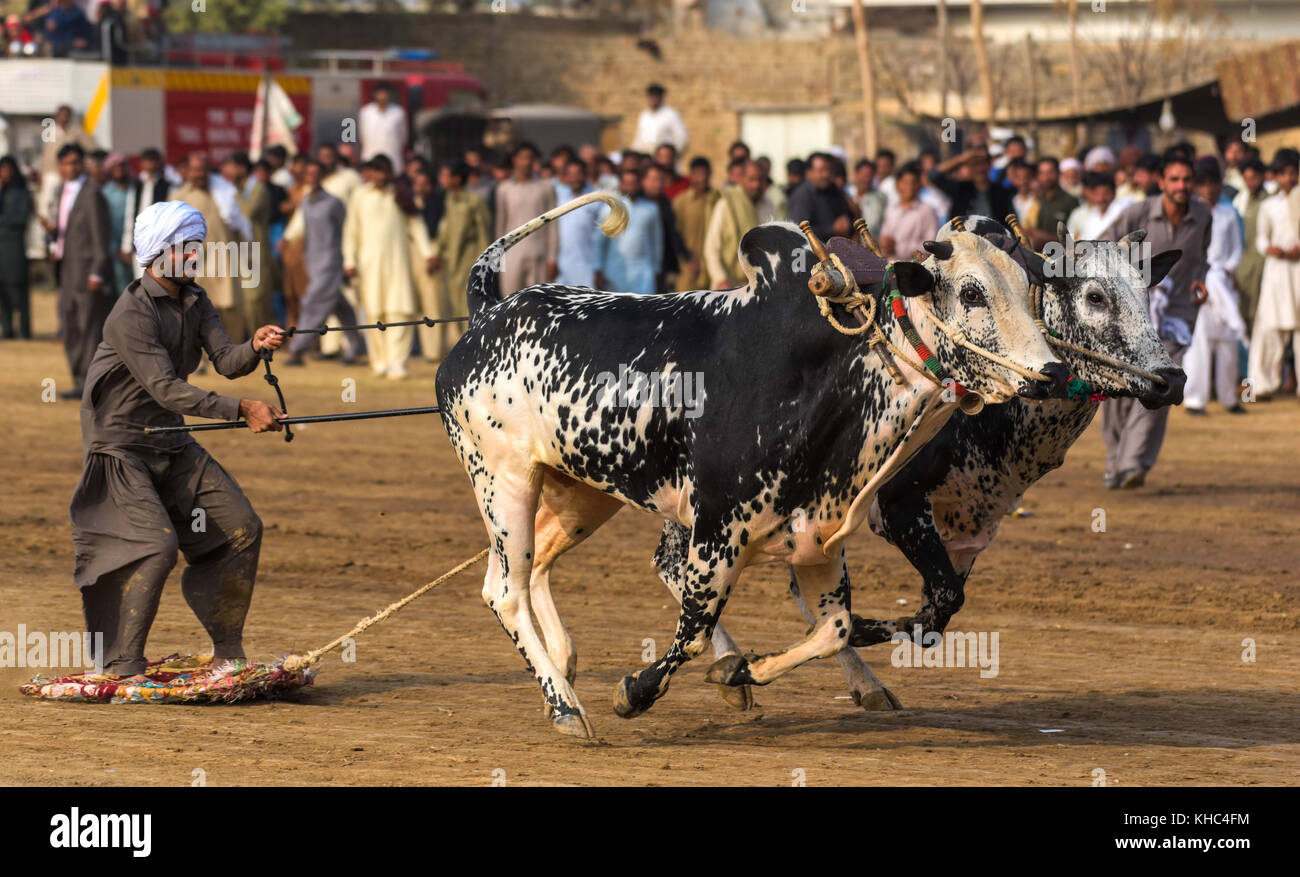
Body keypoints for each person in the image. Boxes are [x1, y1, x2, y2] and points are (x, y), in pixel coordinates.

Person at [70, 200, 286, 678]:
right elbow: (166, 388)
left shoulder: (195, 298)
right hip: (121, 447)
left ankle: (228, 651)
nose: (197, 256)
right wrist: (243, 410)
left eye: (198, 247)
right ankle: (122, 661)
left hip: (171, 441)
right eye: (189, 248)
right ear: (161, 253)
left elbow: (226, 360)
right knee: (154, 546)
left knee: (242, 527)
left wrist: (254, 345)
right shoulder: (130, 313)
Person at [1100, 153, 1211, 488]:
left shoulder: (1203, 214)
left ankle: (1134, 462)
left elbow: (1203, 255)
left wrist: (1200, 278)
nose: (1181, 186)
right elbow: (1103, 245)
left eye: (1186, 180)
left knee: (1162, 383)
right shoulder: (1139, 213)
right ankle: (1115, 460)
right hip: (1133, 313)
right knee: (1123, 385)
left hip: (1178, 313)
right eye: (1174, 179)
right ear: (1161, 182)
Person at [343, 155, 433, 379]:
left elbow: (416, 226)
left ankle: (397, 362)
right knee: (374, 312)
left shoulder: (401, 194)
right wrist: (349, 261)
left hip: (398, 263)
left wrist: (428, 253)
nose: (381, 176)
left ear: (390, 172)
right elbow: (350, 231)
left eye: (385, 171)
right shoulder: (360, 196)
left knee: (399, 309)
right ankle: (380, 362)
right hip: (369, 265)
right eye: (376, 171)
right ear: (370, 173)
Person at [44, 142, 113, 397]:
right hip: (65, 270)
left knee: (89, 330)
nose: (71, 167)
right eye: (66, 163)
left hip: (86, 272)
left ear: (82, 164)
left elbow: (100, 237)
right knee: (70, 327)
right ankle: (78, 381)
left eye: (75, 162)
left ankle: (93, 386)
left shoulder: (92, 192)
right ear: (59, 166)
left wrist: (97, 271)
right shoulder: (60, 191)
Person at [281, 159, 363, 366]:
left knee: (311, 303)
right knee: (342, 307)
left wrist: (348, 259)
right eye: (309, 174)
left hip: (331, 262)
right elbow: (299, 226)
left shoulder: (334, 203)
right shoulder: (307, 202)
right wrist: (287, 239)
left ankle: (297, 350)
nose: (313, 178)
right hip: (313, 262)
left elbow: (348, 231)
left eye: (317, 173)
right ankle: (355, 347)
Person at [1184, 160, 1247, 415]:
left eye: (1214, 183)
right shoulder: (1191, 212)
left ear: (1221, 184)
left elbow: (1236, 249)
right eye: (1204, 183)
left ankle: (1228, 398)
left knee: (1228, 340)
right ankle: (1195, 400)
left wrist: (1230, 269)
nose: (1209, 189)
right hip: (1198, 282)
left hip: (1222, 280)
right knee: (1198, 341)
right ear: (1197, 186)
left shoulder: (1228, 213)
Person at [172, 153, 244, 341]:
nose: (200, 174)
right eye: (196, 170)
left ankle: (233, 353)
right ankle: (200, 357)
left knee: (230, 307)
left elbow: (240, 225)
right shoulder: (179, 197)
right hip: (196, 263)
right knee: (195, 307)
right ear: (187, 172)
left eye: (203, 169)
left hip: (226, 260)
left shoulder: (224, 192)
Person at [1246, 150, 1300, 401]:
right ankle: (1262, 385)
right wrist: (1270, 248)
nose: (1290, 178)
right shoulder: (1269, 206)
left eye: (1293, 172)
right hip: (1277, 271)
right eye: (1285, 173)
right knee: (1268, 327)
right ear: (1275, 176)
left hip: (1298, 269)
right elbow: (1261, 238)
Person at [435, 160, 490, 351]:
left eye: (446, 175)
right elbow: (447, 229)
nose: (442, 179)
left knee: (469, 306)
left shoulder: (475, 201)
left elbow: (485, 233)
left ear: (457, 179)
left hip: (471, 260)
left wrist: (486, 265)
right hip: (452, 263)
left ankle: (476, 349)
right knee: (455, 305)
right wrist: (438, 251)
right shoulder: (450, 199)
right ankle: (463, 349)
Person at [494, 142, 557, 296]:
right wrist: (499, 261)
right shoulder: (504, 189)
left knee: (538, 304)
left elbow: (553, 226)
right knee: (510, 304)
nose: (526, 162)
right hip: (512, 255)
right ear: (514, 160)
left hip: (538, 255)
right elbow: (500, 225)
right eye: (522, 158)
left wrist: (552, 258)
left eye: (530, 158)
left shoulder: (546, 187)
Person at [222, 151, 274, 332]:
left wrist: (232, 193)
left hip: (256, 251)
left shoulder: (258, 188)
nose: (227, 171)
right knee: (242, 300)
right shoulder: (235, 189)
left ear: (242, 168)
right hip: (239, 250)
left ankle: (262, 337)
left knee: (255, 300)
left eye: (231, 167)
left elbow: (247, 212)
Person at [703, 159, 774, 289]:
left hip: (759, 284)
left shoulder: (767, 204)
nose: (756, 185)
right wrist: (720, 279)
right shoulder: (726, 204)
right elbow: (711, 247)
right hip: (728, 284)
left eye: (760, 180)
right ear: (742, 179)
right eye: (751, 179)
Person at [595, 166, 661, 296]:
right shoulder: (610, 209)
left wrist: (656, 269)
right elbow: (598, 242)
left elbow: (656, 241)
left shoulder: (651, 208)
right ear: (621, 185)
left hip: (643, 273)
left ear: (639, 185)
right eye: (627, 183)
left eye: (634, 184)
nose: (630, 187)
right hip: (614, 272)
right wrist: (598, 269)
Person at [927, 147, 1015, 224]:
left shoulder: (1001, 193)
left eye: (983, 163)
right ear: (970, 167)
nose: (980, 168)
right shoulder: (960, 189)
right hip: (962, 240)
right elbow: (933, 176)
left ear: (989, 165)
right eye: (975, 164)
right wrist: (962, 159)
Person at [672, 156, 719, 291]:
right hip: (688, 268)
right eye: (698, 174)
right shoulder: (681, 202)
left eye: (705, 174)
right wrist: (687, 259)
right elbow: (675, 234)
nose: (702, 179)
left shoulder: (718, 200)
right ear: (691, 175)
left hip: (714, 268)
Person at [1233, 157, 1269, 333]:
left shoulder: (1269, 202)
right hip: (1242, 266)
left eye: (1254, 178)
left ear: (1262, 177)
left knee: (1262, 313)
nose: (1250, 183)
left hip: (1264, 264)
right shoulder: (1240, 200)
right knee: (1243, 312)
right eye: (1246, 179)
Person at [553, 157, 600, 288]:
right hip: (562, 266)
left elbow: (601, 237)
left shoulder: (596, 198)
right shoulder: (559, 198)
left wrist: (599, 267)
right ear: (566, 177)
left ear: (585, 175)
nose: (574, 179)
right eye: (571, 175)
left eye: (578, 174)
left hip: (588, 266)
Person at [788, 152, 855, 243]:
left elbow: (848, 215)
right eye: (821, 170)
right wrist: (832, 230)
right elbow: (798, 231)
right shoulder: (802, 195)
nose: (826, 175)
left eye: (828, 170)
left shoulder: (833, 190)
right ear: (809, 173)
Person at [0, 155, 33, 338]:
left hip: (15, 248)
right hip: (1, 248)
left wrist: (3, 222)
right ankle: (6, 328)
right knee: (2, 290)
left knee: (19, 290)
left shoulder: (22, 192)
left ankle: (25, 330)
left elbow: (20, 219)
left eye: (8, 169)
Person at [878, 163, 939, 261]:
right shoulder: (891, 208)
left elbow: (931, 245)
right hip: (891, 267)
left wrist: (898, 248)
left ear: (919, 185)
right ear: (897, 185)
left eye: (913, 183)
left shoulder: (927, 211)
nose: (909, 187)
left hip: (915, 269)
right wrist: (885, 244)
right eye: (905, 183)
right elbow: (885, 236)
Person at [643, 163, 685, 293]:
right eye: (654, 179)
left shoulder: (665, 203)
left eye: (661, 180)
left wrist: (685, 256)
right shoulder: (634, 204)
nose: (658, 184)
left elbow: (672, 233)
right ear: (643, 180)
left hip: (663, 267)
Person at [99, 153, 134, 294]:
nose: (119, 170)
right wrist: (117, 249)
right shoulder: (106, 193)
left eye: (122, 166)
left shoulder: (136, 189)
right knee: (122, 289)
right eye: (115, 167)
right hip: (114, 249)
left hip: (136, 247)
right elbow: (104, 224)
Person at [358, 83, 409, 176]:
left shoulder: (398, 112)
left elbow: (403, 136)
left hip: (393, 157)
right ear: (375, 95)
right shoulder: (366, 112)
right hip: (370, 156)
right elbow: (362, 136)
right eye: (380, 94)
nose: (382, 96)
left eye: (385, 93)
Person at [1027, 157, 1078, 247]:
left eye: (1050, 172)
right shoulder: (1039, 201)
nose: (1046, 177)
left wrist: (1042, 236)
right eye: (1042, 173)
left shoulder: (1070, 201)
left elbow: (1075, 237)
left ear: (1058, 173)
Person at [1066, 171, 1129, 241]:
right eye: (1097, 194)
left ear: (1113, 193)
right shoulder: (1093, 217)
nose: (1101, 198)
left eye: (1105, 193)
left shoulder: (1122, 212)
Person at [632, 84, 688, 155]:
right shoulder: (644, 115)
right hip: (646, 158)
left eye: (656, 96)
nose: (654, 99)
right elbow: (638, 138)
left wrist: (671, 155)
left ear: (661, 97)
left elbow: (681, 137)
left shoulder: (671, 114)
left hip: (664, 158)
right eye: (651, 96)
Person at [852, 158, 887, 236]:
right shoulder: (849, 196)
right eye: (864, 175)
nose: (867, 179)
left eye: (869, 176)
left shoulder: (880, 198)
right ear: (856, 175)